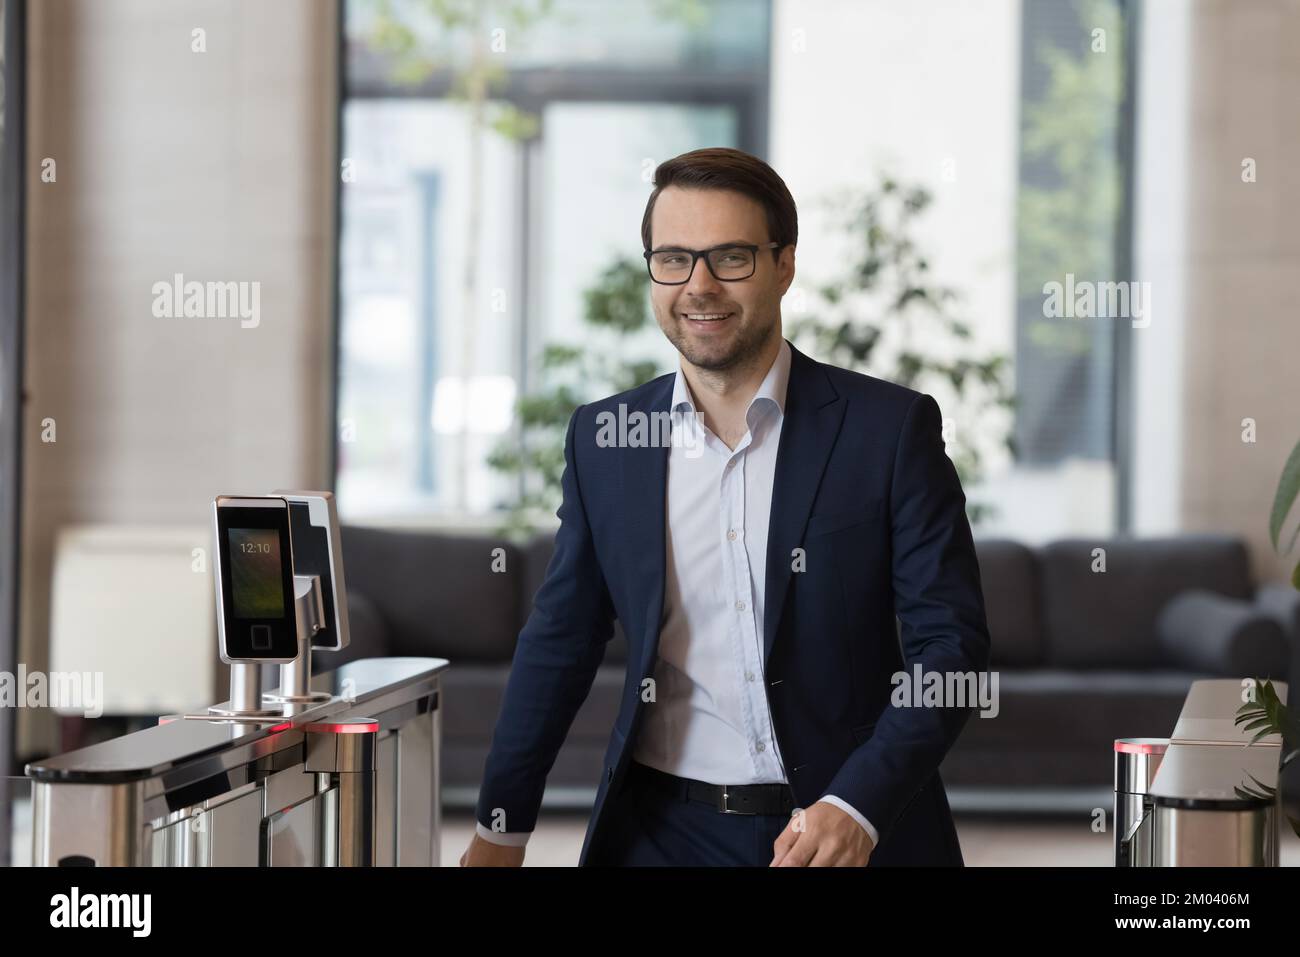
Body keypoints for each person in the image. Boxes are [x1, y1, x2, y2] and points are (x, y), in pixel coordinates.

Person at [461, 146, 991, 867]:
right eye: (674, 258)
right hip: (660, 833)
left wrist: (858, 803)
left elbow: (950, 649)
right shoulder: (606, 439)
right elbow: (561, 640)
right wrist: (501, 825)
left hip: (838, 828)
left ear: (784, 264)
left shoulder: (888, 432)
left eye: (730, 257)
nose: (699, 285)